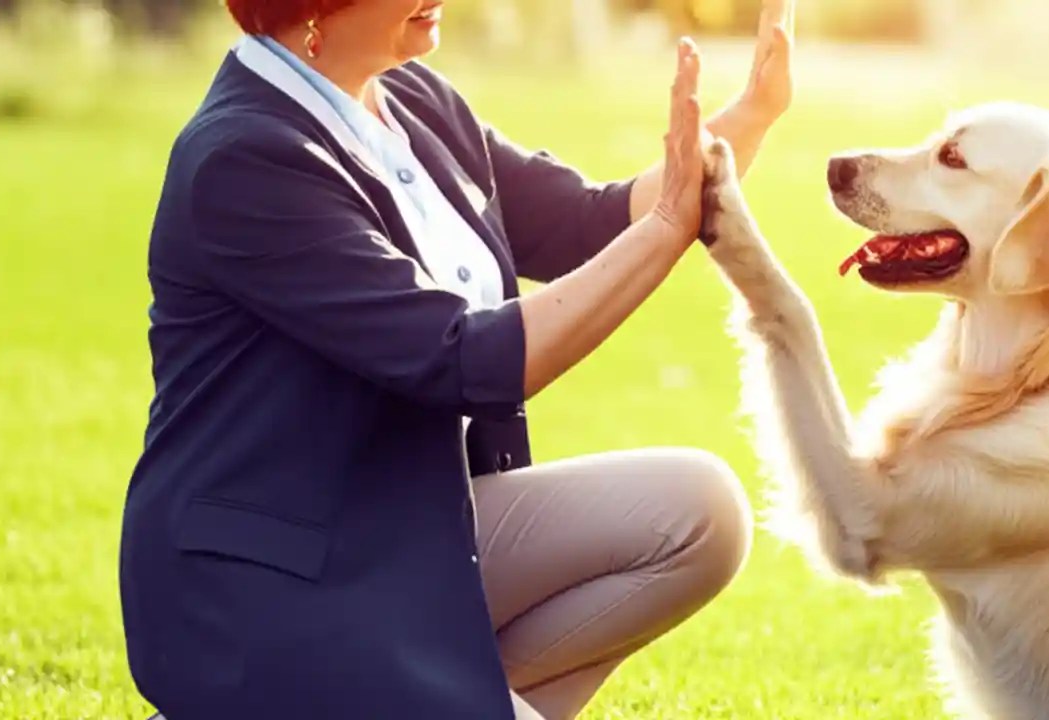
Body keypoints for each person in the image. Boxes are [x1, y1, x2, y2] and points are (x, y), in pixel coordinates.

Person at [120, 1, 796, 718]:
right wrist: (667, 232)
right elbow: (463, 358)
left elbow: (585, 222)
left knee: (701, 513)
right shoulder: (245, 159)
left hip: (411, 525)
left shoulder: (410, 98)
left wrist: (751, 115)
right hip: (275, 582)